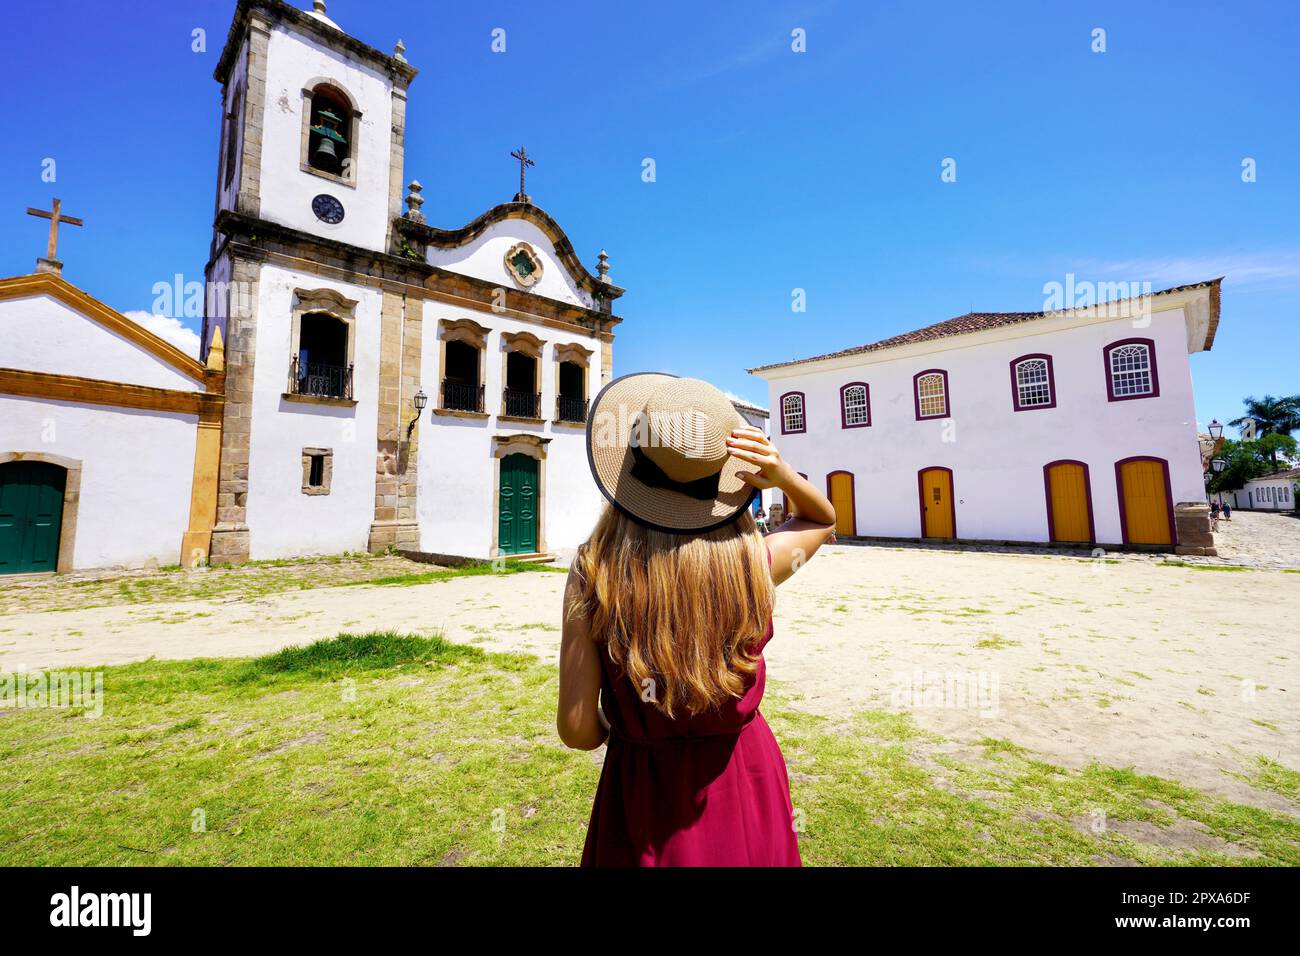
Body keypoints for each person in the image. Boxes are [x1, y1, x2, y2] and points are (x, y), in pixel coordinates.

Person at [557, 373, 837, 866]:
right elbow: (821, 519)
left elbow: (578, 730)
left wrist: (629, 725)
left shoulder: (593, 573)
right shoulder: (753, 563)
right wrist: (784, 476)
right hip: (743, 772)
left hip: (643, 785)